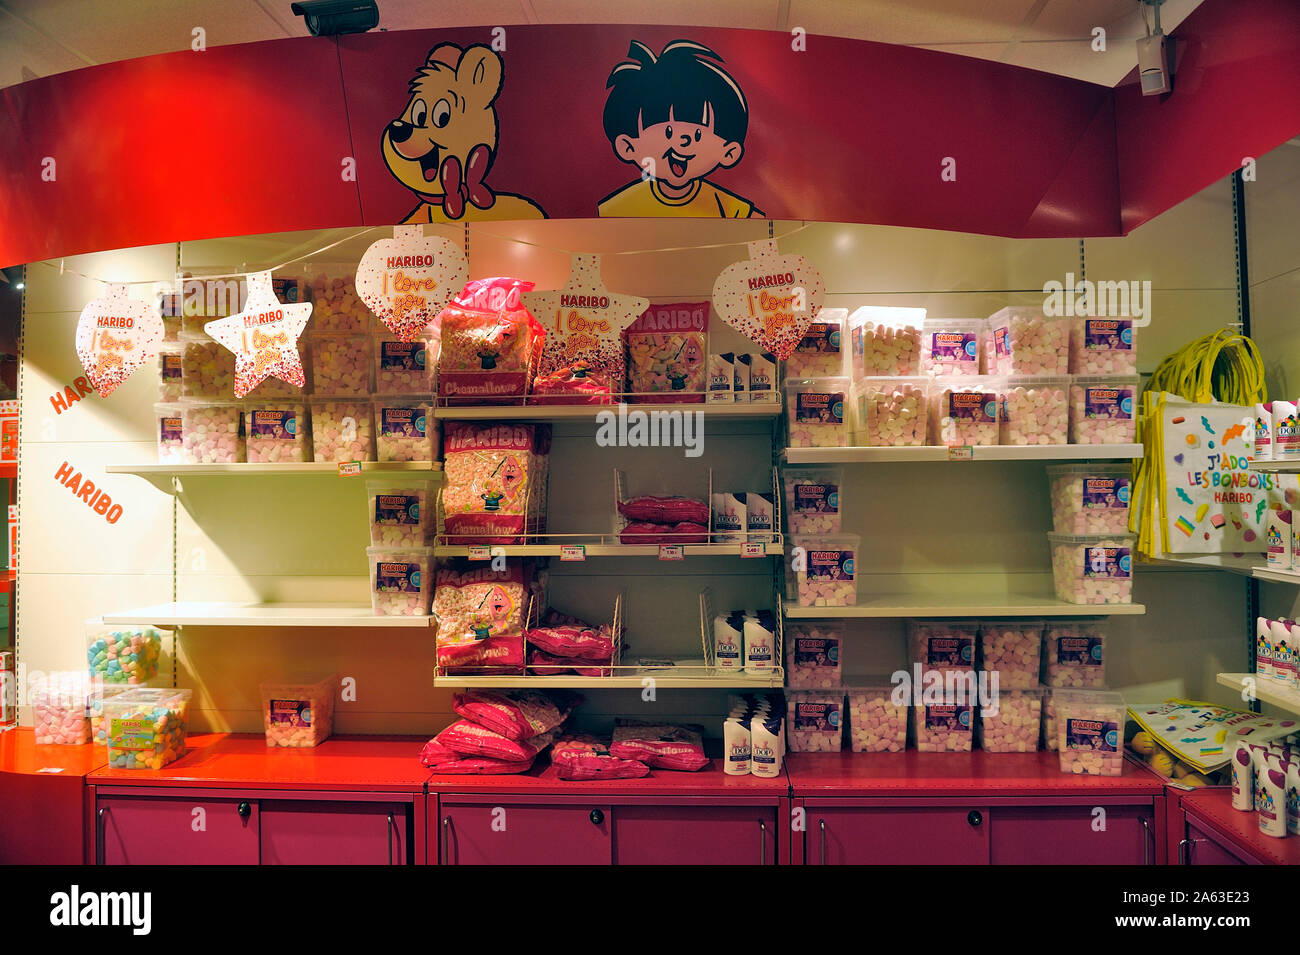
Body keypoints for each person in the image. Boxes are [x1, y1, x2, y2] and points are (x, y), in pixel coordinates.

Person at [598, 40, 762, 218]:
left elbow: (757, 220)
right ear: (627, 146)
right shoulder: (620, 206)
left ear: (729, 152)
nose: (684, 140)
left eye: (698, 135)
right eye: (668, 132)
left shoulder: (725, 205)